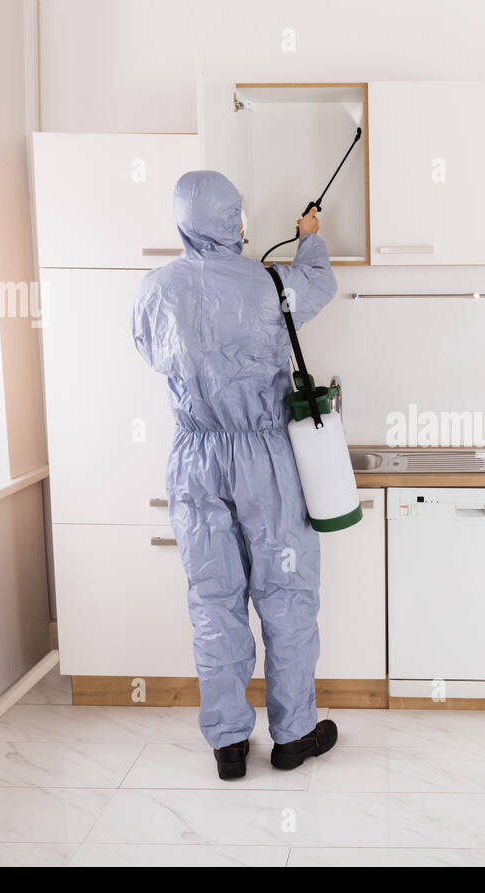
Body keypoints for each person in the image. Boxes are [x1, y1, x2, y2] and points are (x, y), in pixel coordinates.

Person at [131, 170, 339, 780]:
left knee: (213, 601)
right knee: (286, 597)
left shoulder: (155, 289)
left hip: (196, 459)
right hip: (265, 458)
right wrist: (310, 237)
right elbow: (318, 285)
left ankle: (227, 744)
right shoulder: (270, 284)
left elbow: (148, 350)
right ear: (234, 220)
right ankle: (294, 735)